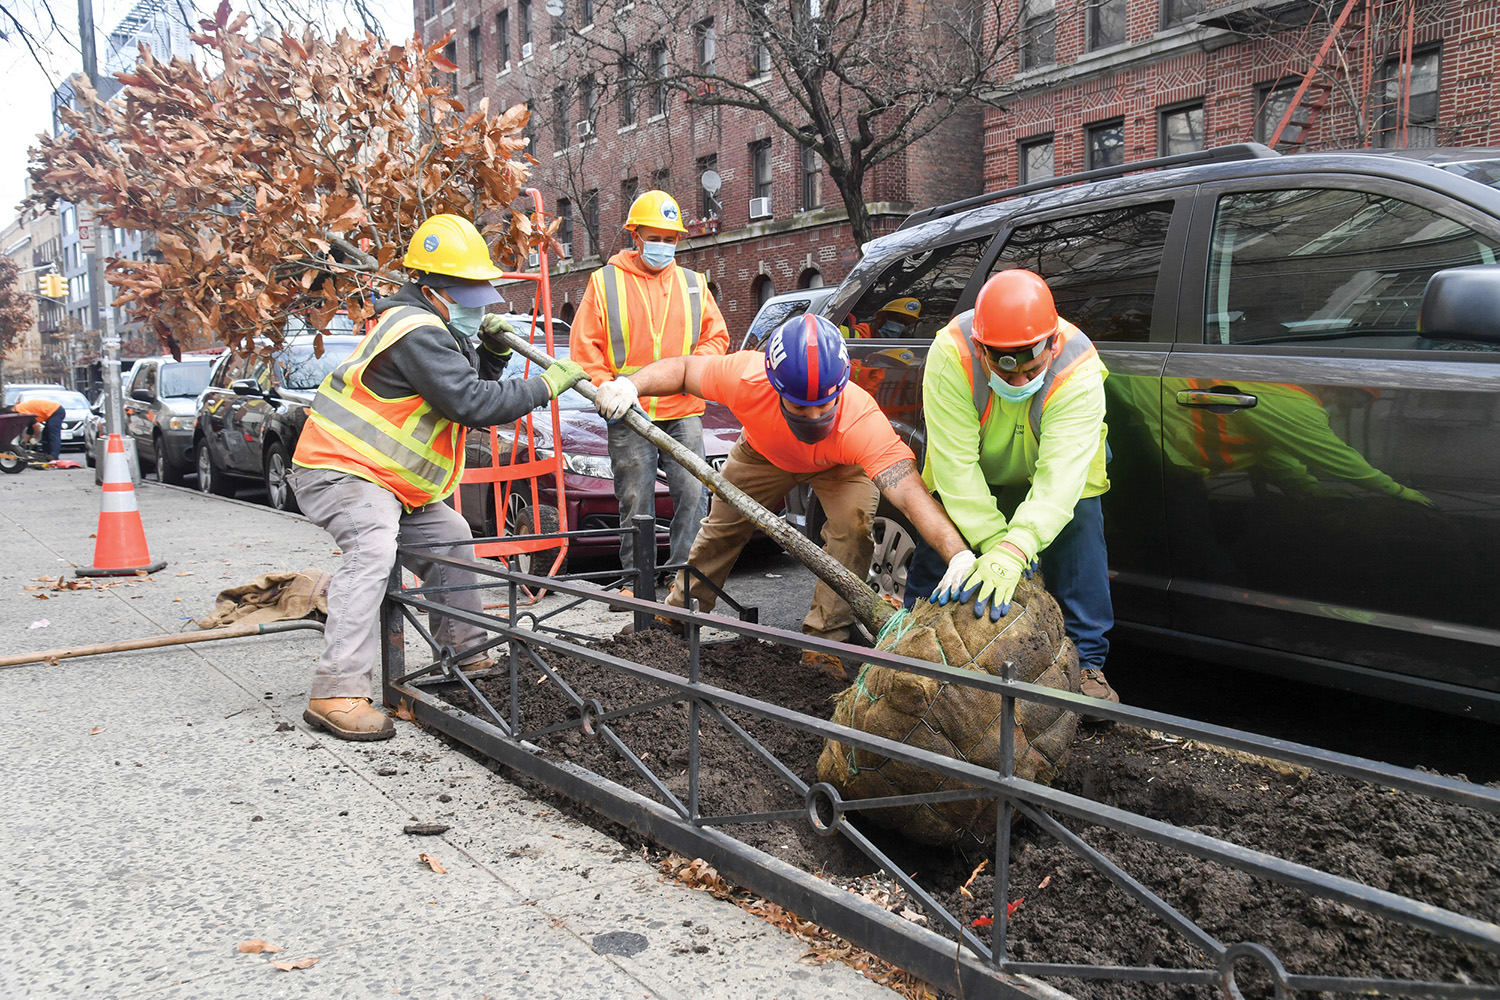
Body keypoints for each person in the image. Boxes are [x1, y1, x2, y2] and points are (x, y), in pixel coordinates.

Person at [288, 213, 588, 741]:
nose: (478, 309)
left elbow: (457, 390)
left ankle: (465, 654)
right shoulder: (415, 330)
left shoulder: (430, 327)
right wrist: (547, 384)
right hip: (342, 471)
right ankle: (335, 689)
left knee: (451, 537)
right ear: (434, 291)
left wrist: (492, 355)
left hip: (388, 481)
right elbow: (469, 402)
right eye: (471, 299)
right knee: (373, 549)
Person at [594, 313, 987, 677]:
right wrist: (631, 385)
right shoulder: (746, 378)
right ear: (775, 386)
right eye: (800, 406)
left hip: (841, 465)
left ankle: (825, 641)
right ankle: (680, 615)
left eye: (824, 405)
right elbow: (682, 369)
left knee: (853, 529)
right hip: (764, 453)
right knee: (724, 526)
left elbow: (910, 495)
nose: (814, 417)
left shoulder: (862, 422)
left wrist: (958, 555)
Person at [906, 269, 1119, 705]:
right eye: (1006, 369)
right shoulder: (952, 353)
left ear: (1053, 346)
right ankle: (910, 647)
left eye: (1032, 368)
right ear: (982, 348)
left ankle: (1088, 668)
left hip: (1062, 475)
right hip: (977, 471)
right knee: (943, 558)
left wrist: (1016, 548)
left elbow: (1059, 479)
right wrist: (989, 539)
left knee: (1080, 554)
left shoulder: (1078, 368)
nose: (1019, 381)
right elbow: (955, 464)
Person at [570, 190, 730, 604]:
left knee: (693, 499)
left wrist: (692, 371)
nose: (663, 245)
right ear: (635, 235)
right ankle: (635, 584)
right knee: (635, 501)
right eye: (654, 236)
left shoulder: (694, 285)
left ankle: (684, 586)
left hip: (683, 409)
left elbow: (717, 339)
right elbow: (585, 347)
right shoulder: (605, 282)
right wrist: (605, 386)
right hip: (630, 411)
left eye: (670, 237)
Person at [843, 297, 923, 339]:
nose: (900, 326)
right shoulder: (851, 337)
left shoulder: (898, 353)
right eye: (898, 320)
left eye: (906, 323)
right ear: (881, 317)